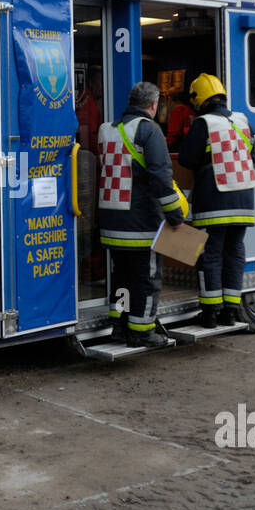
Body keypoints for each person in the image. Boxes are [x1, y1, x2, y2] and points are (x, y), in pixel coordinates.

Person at [98, 81, 188, 348]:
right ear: (153, 104)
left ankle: (119, 324)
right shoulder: (149, 131)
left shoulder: (107, 129)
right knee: (146, 279)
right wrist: (175, 217)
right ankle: (141, 331)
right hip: (141, 223)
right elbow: (161, 178)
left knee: (121, 276)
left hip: (112, 219)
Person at [178, 73, 255, 328]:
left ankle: (211, 313)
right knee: (235, 254)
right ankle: (231, 312)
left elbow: (186, 159)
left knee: (211, 254)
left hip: (214, 200)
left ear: (199, 98)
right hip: (244, 200)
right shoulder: (243, 120)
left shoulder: (204, 123)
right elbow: (252, 158)